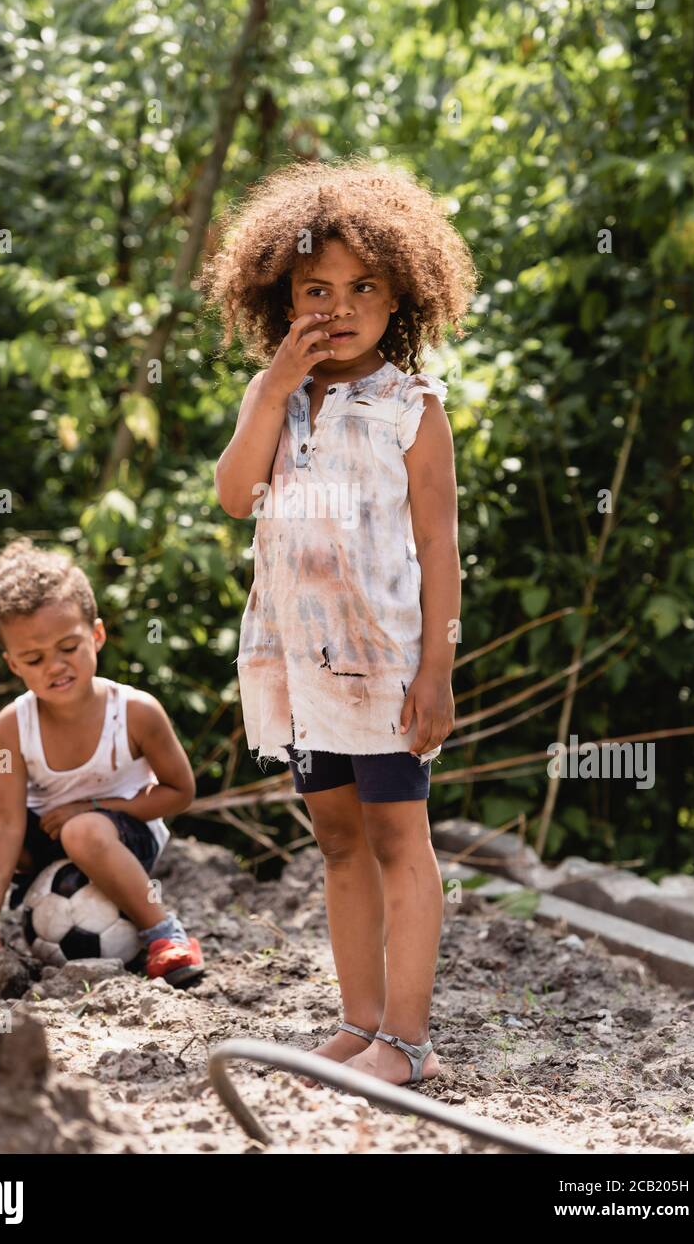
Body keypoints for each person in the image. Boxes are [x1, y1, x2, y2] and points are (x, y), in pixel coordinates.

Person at [204, 159, 475, 1084]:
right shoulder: (274, 401)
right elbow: (236, 496)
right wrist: (273, 386)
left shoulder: (413, 410)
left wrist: (436, 672)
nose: (340, 305)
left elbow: (439, 551)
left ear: (399, 291)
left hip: (387, 664)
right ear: (280, 298)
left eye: (363, 286)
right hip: (298, 667)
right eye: (316, 289)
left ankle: (407, 1041)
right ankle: (360, 1026)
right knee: (336, 839)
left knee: (400, 837)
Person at [0, 538, 204, 986]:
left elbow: (181, 792)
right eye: (34, 659)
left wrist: (99, 809)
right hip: (43, 835)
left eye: (69, 647)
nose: (55, 666)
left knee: (82, 829)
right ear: (13, 665)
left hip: (120, 835)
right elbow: (7, 821)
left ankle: (163, 932)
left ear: (97, 634)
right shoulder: (12, 726)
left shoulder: (135, 712)